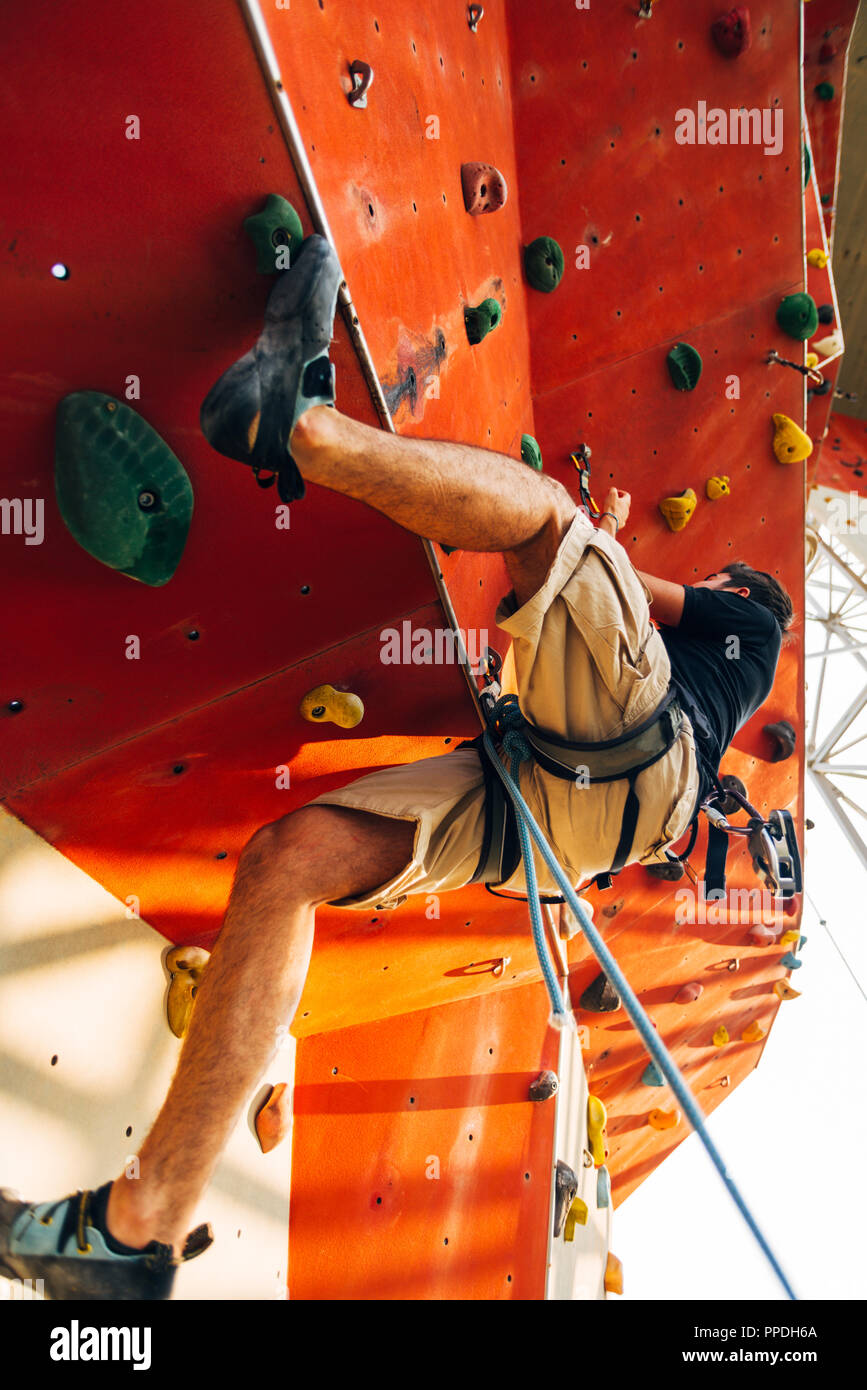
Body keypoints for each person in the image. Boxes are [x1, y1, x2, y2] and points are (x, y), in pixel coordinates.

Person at [0, 238, 793, 1299]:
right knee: (290, 862)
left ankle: (298, 426)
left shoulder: (752, 621)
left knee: (549, 520)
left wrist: (595, 539)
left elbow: (614, 575)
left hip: (631, 770)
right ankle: (136, 1232)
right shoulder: (701, 683)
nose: (721, 573)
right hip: (562, 821)